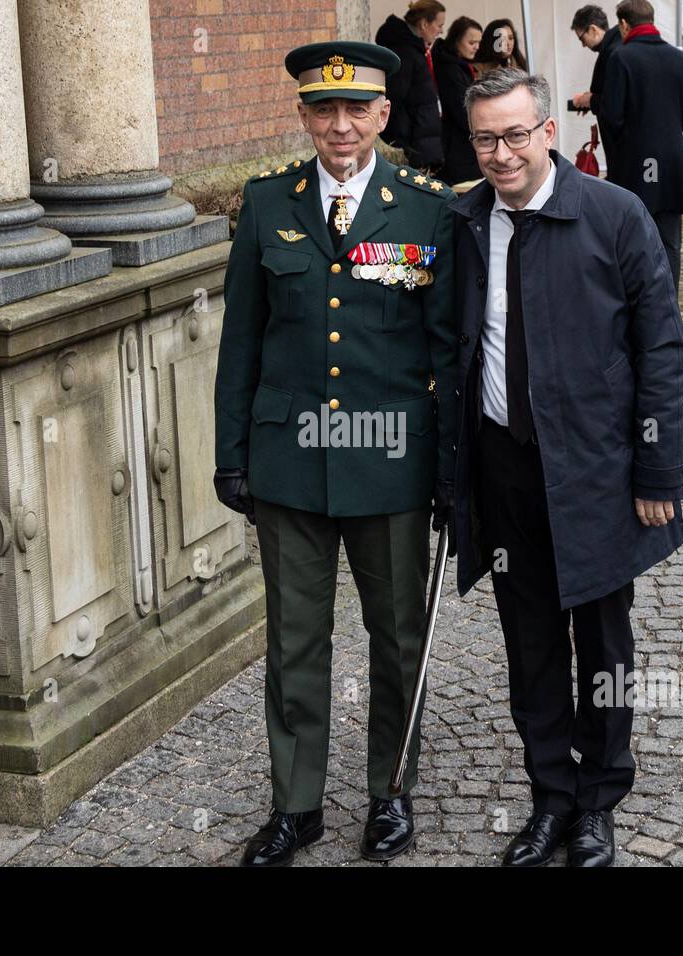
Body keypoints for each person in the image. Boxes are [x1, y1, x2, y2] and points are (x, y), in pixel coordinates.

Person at [213, 40, 458, 866]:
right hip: (289, 464)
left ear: (384, 116)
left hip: (391, 466)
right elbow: (239, 342)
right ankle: (296, 804)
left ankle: (391, 794)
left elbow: (447, 349)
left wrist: (453, 472)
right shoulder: (266, 204)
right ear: (305, 116)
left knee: (396, 642)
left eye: (358, 109)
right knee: (293, 643)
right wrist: (232, 452)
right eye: (325, 109)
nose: (341, 124)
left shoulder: (428, 207)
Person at [449, 68, 683, 867]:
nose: (501, 152)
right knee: (531, 645)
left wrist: (657, 472)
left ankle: (599, 799)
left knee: (601, 642)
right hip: (504, 469)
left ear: (548, 131)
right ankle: (550, 797)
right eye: (485, 137)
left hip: (593, 470)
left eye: (516, 134)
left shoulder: (614, 215)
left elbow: (659, 349)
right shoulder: (463, 221)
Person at [598, 0, 683, 293]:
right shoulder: (679, 58)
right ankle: (668, 297)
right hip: (668, 161)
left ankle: (643, 298)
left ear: (624, 25)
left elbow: (611, 116)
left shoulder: (622, 57)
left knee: (635, 232)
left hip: (637, 162)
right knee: (669, 239)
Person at [377, 1, 448, 173]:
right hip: (413, 148)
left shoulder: (412, 49)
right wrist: (406, 146)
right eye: (439, 25)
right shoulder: (406, 52)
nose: (441, 31)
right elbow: (395, 100)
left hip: (419, 143)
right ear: (424, 24)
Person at [570, 5, 623, 179]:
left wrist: (589, 100)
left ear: (593, 29)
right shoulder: (614, 47)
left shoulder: (613, 52)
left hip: (621, 142)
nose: (583, 45)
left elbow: (615, 100)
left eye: (582, 38)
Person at [435, 15, 484, 184]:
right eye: (471, 43)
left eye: (479, 42)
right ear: (456, 40)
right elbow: (461, 110)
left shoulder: (459, 65)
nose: (476, 47)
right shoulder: (449, 69)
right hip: (456, 149)